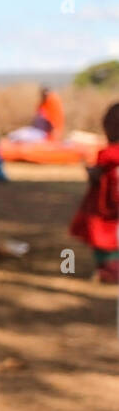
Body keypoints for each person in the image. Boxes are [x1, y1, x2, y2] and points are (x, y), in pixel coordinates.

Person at [69, 102, 119, 283]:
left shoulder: (107, 155)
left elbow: (96, 176)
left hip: (103, 208)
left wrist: (89, 171)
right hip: (110, 208)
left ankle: (108, 270)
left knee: (101, 236)